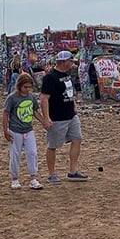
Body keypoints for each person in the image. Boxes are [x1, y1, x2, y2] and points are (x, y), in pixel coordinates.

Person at [40, 50, 88, 183]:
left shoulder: (67, 75)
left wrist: (74, 105)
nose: (72, 64)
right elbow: (44, 98)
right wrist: (46, 117)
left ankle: (73, 171)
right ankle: (51, 174)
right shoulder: (50, 77)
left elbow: (69, 92)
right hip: (57, 117)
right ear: (64, 61)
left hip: (71, 115)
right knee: (53, 145)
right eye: (70, 61)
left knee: (77, 139)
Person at [2, 73, 51, 189]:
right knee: (15, 154)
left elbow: (34, 111)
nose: (28, 89)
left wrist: (43, 121)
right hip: (15, 130)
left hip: (28, 129)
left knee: (32, 153)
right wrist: (5, 130)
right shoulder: (12, 98)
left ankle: (33, 178)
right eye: (25, 87)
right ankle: (14, 178)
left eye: (30, 87)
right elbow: (5, 114)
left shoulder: (31, 97)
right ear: (19, 86)